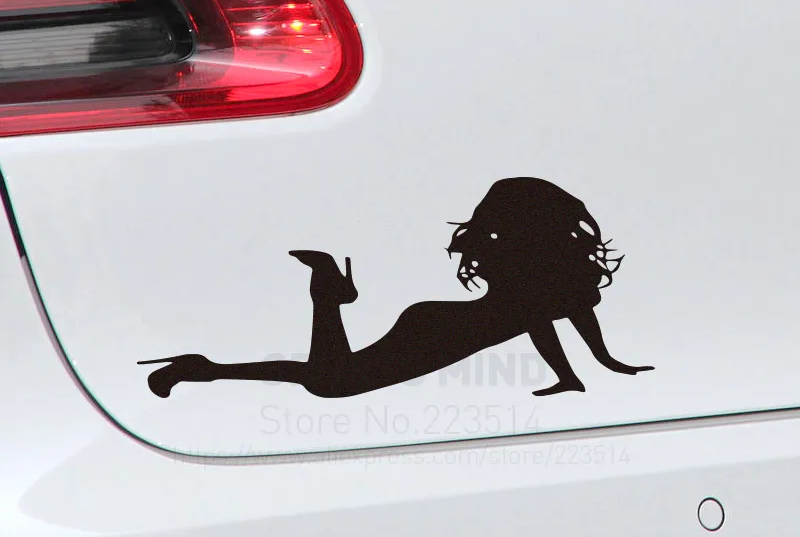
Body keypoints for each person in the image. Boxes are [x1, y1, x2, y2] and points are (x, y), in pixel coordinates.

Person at [141, 177, 653, 398]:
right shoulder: (545, 281)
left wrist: (595, 366)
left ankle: (203, 369)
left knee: (323, 377)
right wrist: (585, 369)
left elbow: (557, 319)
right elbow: (546, 322)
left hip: (441, 323)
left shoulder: (540, 280)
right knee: (330, 382)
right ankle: (325, 289)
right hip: (443, 330)